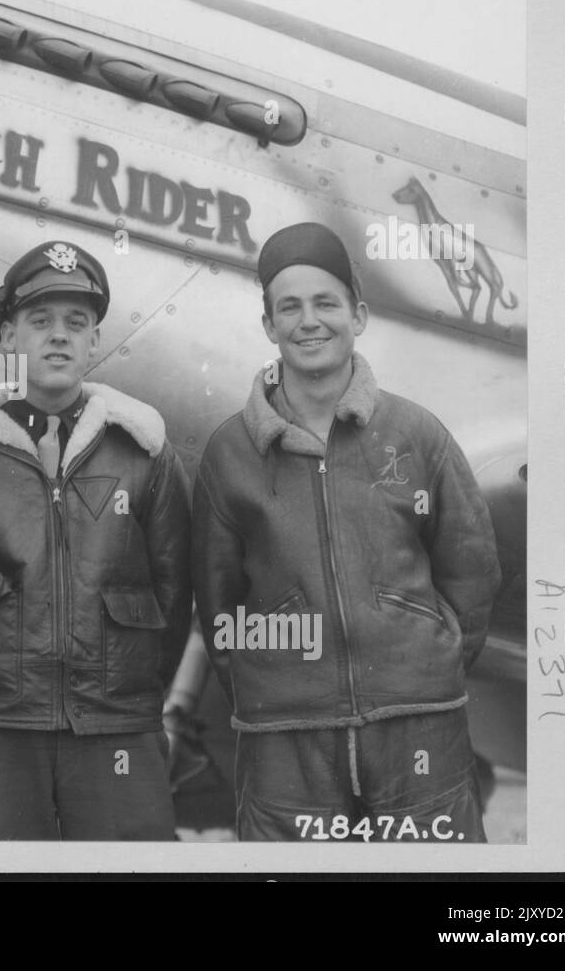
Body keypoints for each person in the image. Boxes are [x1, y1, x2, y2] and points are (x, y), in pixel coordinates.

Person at [190, 222, 501, 842]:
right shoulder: (230, 452)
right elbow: (217, 602)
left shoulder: (418, 434)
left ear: (357, 315)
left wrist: (422, 667)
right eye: (290, 307)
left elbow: (472, 574)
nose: (309, 321)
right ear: (269, 326)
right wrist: (270, 682)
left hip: (419, 726)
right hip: (285, 740)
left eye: (326, 303)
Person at [0, 241, 194, 840]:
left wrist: (122, 695)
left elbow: (173, 599)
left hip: (117, 733)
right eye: (39, 321)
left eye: (75, 323)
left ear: (94, 341)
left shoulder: (148, 459)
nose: (59, 336)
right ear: (7, 335)